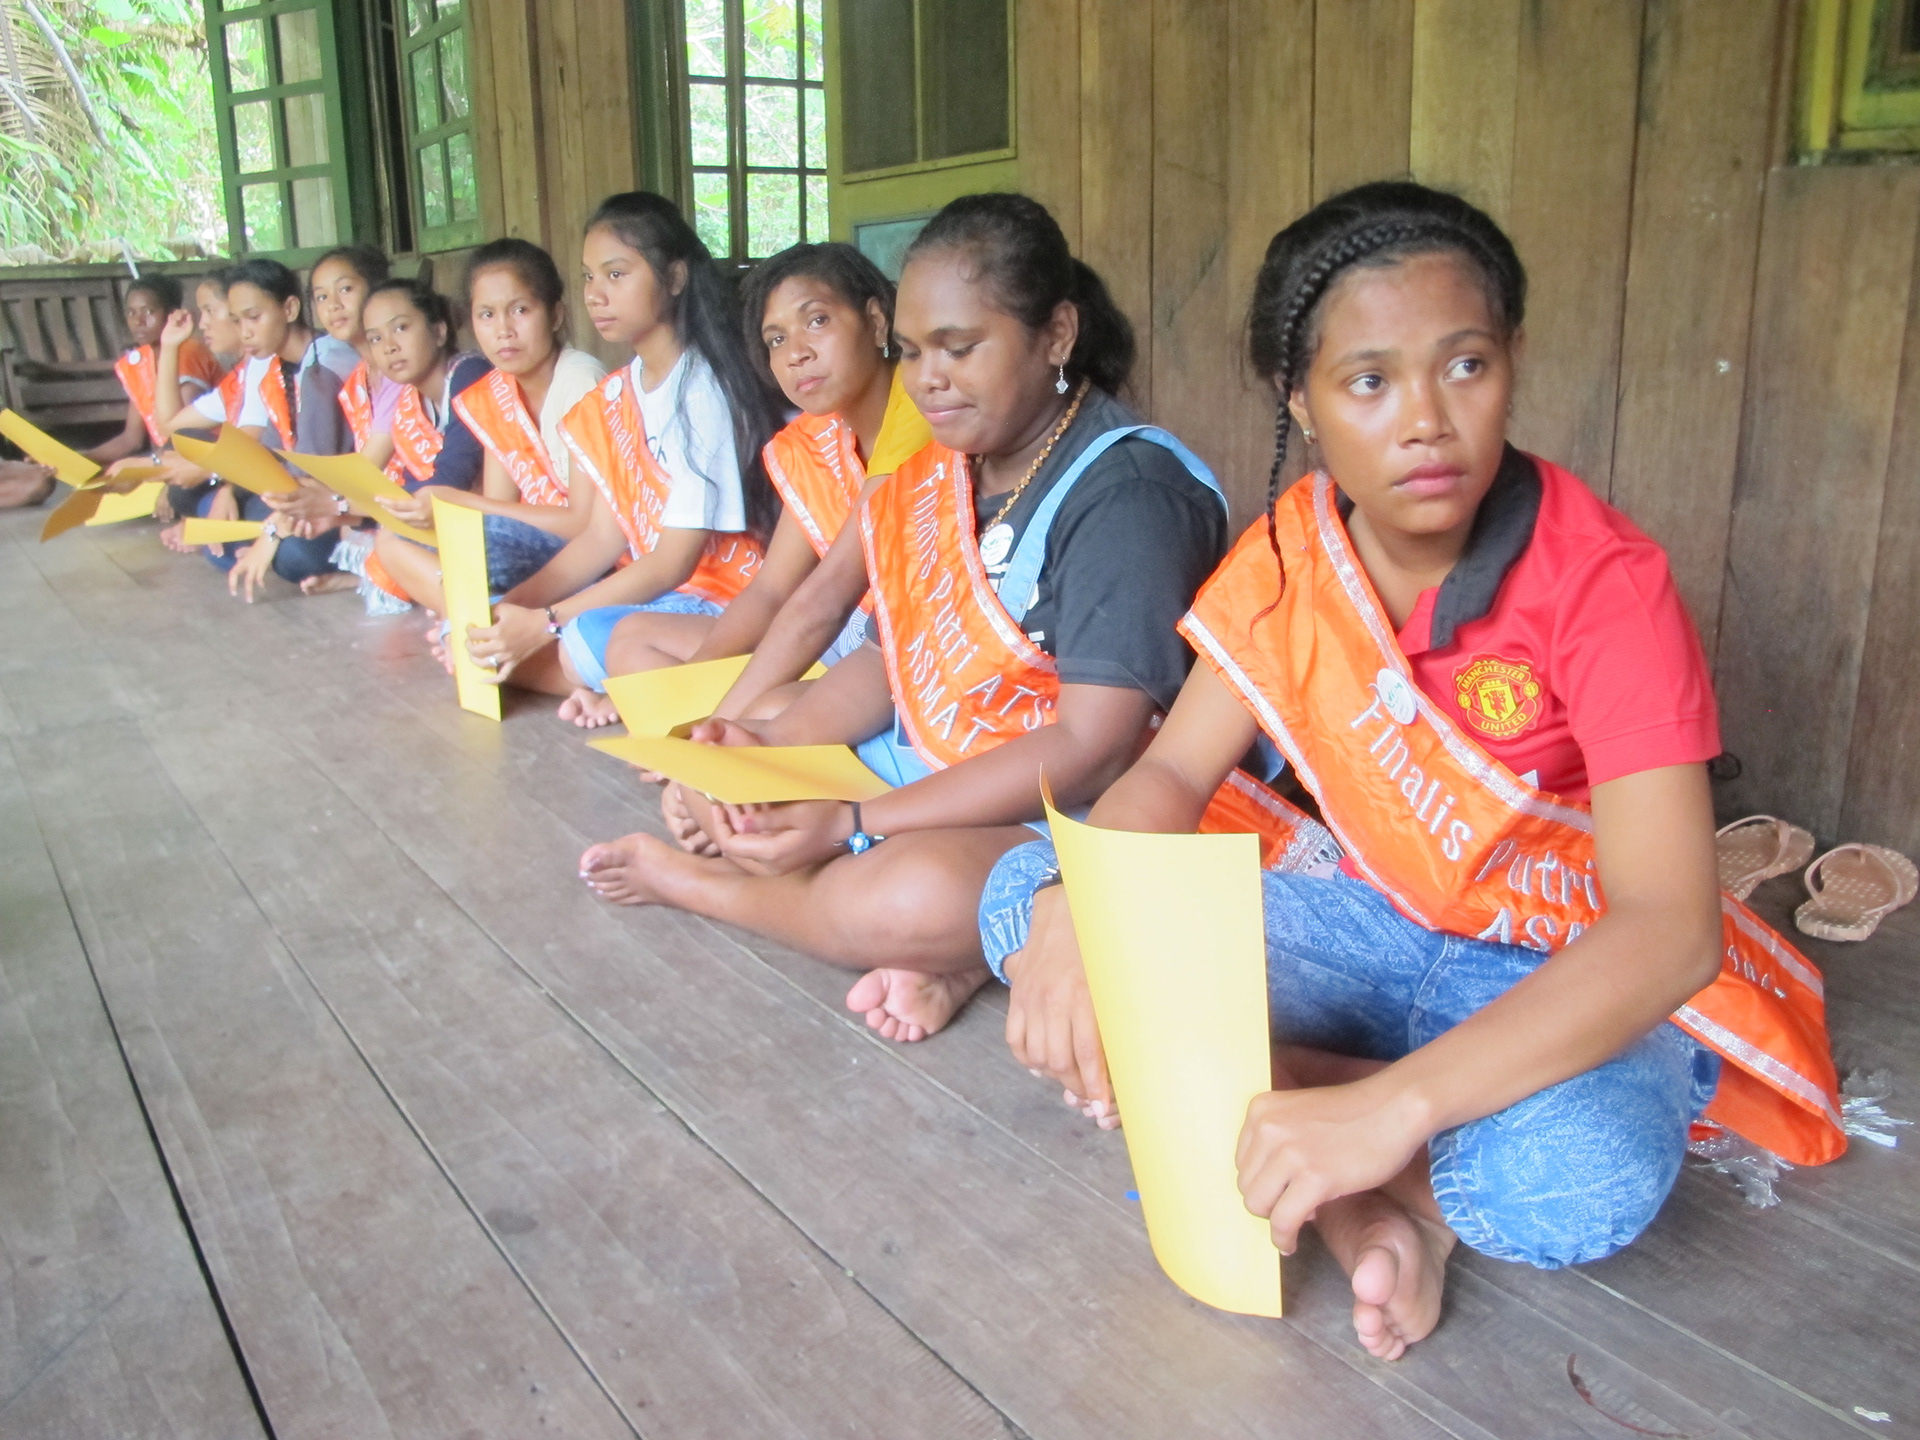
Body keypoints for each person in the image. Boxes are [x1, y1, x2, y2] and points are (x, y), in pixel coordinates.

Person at [980, 181, 1844, 1362]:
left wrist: (1397, 1104)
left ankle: (1371, 1164)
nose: (1427, 421)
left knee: (1582, 1171)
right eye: (1370, 381)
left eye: (1466, 367)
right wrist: (1091, 904)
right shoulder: (1297, 549)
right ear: (1302, 397)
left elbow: (1669, 929)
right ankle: (1350, 1168)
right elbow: (1171, 775)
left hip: (1551, 976)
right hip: (1370, 931)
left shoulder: (1605, 584)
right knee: (1021, 897)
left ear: (1514, 363)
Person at [575, 192, 1231, 1046]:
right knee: (764, 739)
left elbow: (1090, 747)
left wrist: (850, 821)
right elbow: (897, 656)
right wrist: (757, 754)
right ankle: (960, 952)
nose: (928, 378)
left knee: (899, 896)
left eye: (961, 348)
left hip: (1073, 803)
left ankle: (706, 888)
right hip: (940, 755)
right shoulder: (947, 469)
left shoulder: (1128, 493)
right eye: (914, 352)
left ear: (1057, 336)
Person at [559, 239, 929, 728]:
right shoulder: (811, 442)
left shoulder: (924, 414)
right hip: (836, 636)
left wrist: (705, 723)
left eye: (817, 321)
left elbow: (824, 599)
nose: (797, 353)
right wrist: (690, 693)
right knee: (633, 642)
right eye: (776, 340)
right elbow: (771, 592)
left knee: (767, 710)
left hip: (900, 643)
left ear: (877, 321)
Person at [458, 191, 781, 699]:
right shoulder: (620, 391)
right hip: (664, 595)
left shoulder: (701, 390)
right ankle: (606, 690)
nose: (595, 294)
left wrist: (544, 622)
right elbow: (601, 540)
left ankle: (607, 688)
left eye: (616, 274)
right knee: (472, 639)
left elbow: (673, 563)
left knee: (582, 641)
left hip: (720, 596)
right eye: (589, 276)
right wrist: (509, 614)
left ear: (674, 278)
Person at [367, 240, 604, 616]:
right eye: (487, 315)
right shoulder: (495, 391)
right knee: (393, 541)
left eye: (520, 310)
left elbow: (584, 524)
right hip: (532, 547)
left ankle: (474, 622)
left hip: (590, 558)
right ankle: (484, 619)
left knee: (468, 543)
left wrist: (457, 501)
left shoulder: (579, 379)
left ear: (555, 315)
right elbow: (498, 509)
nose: (504, 330)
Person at [191, 259, 362, 599]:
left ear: (289, 308)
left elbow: (316, 477)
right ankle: (256, 549)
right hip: (298, 496)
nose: (245, 332)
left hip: (342, 504)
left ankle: (266, 554)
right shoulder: (279, 369)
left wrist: (268, 535)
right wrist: (230, 490)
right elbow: (268, 454)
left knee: (294, 554)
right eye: (238, 321)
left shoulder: (324, 368)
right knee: (212, 510)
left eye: (254, 317)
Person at [333, 277, 491, 613]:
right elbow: (410, 484)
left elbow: (453, 476)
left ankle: (482, 614)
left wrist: (342, 506)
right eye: (375, 338)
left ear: (439, 331)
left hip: (511, 520)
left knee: (392, 541)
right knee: (387, 540)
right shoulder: (410, 402)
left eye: (401, 328)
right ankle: (473, 609)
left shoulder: (470, 374)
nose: (388, 346)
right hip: (461, 523)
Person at [86, 273, 223, 474]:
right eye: (131, 313)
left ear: (172, 314)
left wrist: (154, 466)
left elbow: (186, 434)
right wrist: (80, 459)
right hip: (170, 457)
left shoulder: (188, 353)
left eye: (148, 311)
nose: (138, 321)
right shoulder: (140, 362)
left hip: (206, 459)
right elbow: (131, 439)